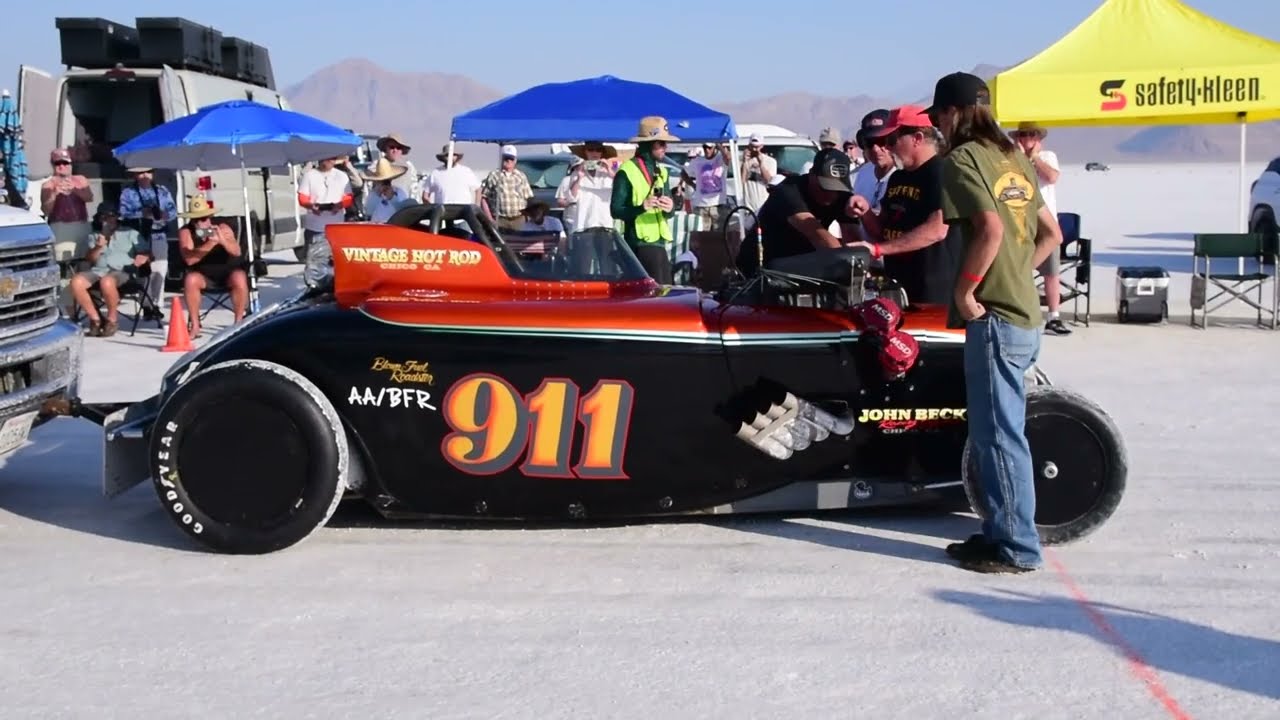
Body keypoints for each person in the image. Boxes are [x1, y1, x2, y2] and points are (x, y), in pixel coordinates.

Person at [929, 71, 1062, 574]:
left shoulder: (962, 160)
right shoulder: (1015, 159)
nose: (938, 126)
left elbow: (986, 229)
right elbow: (1051, 235)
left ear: (952, 114)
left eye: (939, 116)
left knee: (998, 436)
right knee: (1001, 432)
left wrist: (966, 289)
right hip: (1024, 314)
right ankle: (1001, 532)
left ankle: (1017, 548)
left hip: (996, 320)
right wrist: (1015, 273)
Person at [848, 105, 962, 306]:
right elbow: (883, 229)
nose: (888, 148)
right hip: (897, 285)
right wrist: (865, 211)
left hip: (932, 289)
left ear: (917, 138)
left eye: (891, 140)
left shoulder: (941, 172)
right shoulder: (898, 177)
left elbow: (937, 229)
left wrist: (878, 250)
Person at [735, 148, 859, 277]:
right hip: (761, 266)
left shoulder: (841, 195)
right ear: (812, 174)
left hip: (801, 266)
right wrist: (847, 264)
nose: (831, 194)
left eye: (836, 188)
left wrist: (858, 265)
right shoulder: (789, 191)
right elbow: (815, 233)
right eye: (825, 187)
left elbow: (852, 238)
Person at [1011, 121, 1070, 336]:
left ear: (1038, 139)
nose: (1027, 139)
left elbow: (1052, 177)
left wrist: (1034, 158)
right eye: (1023, 135)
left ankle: (1054, 316)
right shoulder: (1012, 157)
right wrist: (1019, 157)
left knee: (1051, 271)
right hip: (1021, 222)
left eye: (1031, 135)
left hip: (1045, 222)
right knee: (1019, 268)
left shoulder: (1047, 157)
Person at [610, 116, 680, 283]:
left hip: (660, 244)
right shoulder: (626, 171)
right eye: (661, 143)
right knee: (650, 298)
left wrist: (670, 207)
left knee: (666, 294)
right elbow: (615, 210)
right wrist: (642, 207)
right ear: (649, 144)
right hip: (638, 244)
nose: (666, 147)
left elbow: (668, 213)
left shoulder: (662, 171)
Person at [67, 202, 152, 337]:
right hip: (98, 270)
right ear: (99, 219)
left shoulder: (130, 233)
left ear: (116, 217)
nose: (107, 220)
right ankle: (95, 319)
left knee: (107, 281)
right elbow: (90, 259)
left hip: (123, 272)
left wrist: (144, 257)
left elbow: (148, 253)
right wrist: (98, 247)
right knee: (76, 281)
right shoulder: (94, 236)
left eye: (111, 216)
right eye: (104, 217)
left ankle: (112, 320)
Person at [177, 195, 249, 337]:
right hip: (204, 275)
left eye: (203, 219)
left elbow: (237, 251)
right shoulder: (186, 232)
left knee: (239, 277)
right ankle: (195, 325)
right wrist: (210, 243)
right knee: (190, 280)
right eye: (195, 219)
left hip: (227, 272)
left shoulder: (222, 227)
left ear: (210, 217)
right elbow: (189, 260)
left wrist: (222, 240)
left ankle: (238, 323)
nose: (200, 223)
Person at [361, 158, 414, 223]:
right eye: (382, 181)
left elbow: (405, 212)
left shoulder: (399, 192)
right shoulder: (373, 195)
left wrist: (392, 197)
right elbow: (369, 213)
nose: (385, 184)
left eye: (387, 181)